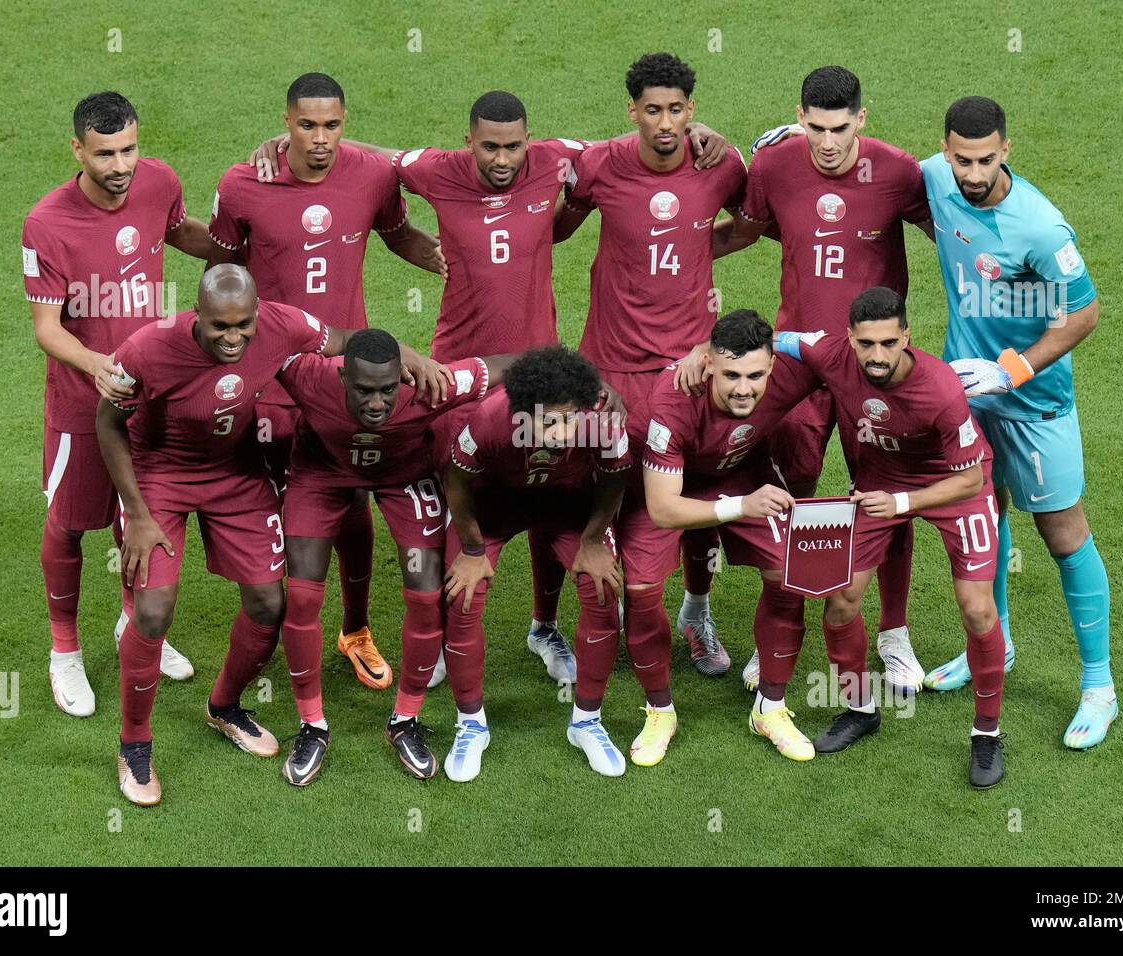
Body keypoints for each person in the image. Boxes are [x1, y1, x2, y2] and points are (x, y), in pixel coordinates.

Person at [250, 89, 727, 685]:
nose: (502, 160)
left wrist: (702, 129)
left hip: (541, 374)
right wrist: (309, 141)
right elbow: (388, 160)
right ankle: (450, 633)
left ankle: (543, 626)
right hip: (458, 374)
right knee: (460, 488)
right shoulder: (436, 170)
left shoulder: (558, 159)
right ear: (468, 140)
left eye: (513, 146)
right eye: (489, 147)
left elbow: (639, 143)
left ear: (529, 140)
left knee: (549, 486)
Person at [95, 265, 423, 806]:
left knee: (271, 603)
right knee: (153, 611)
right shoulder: (148, 348)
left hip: (237, 472)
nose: (233, 337)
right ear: (196, 315)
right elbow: (107, 422)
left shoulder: (282, 323)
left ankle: (223, 707)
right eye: (220, 326)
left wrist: (407, 355)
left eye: (243, 325)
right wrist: (137, 512)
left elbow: (341, 340)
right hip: (160, 476)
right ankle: (134, 744)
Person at [208, 72, 448, 693]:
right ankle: (271, 619)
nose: (320, 138)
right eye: (306, 125)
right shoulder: (242, 183)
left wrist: (460, 260)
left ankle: (356, 629)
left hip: (351, 378)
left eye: (332, 125)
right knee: (274, 496)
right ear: (286, 121)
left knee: (355, 503)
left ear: (346, 121)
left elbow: (397, 235)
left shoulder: (370, 175)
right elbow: (221, 271)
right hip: (271, 380)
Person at [716, 65, 933, 694]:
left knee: (885, 498)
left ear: (862, 119)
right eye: (816, 128)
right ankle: (778, 633)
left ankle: (894, 639)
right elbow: (748, 228)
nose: (829, 142)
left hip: (875, 364)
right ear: (799, 117)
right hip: (798, 362)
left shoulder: (899, 172)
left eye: (840, 128)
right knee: (790, 493)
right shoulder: (777, 167)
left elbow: (947, 230)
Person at [918, 97, 1114, 750]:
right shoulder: (937, 178)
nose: (971, 174)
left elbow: (1082, 315)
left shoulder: (1041, 228)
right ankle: (994, 647)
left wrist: (1014, 370)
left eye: (984, 159)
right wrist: (791, 145)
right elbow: (874, 171)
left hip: (1034, 404)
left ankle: (1099, 686)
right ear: (945, 151)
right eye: (960, 160)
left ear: (1007, 149)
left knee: (1061, 534)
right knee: (985, 515)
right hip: (965, 399)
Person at [554, 52, 750, 687]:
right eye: (652, 110)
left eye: (676, 110)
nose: (664, 123)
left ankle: (696, 610)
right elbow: (555, 227)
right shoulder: (598, 165)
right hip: (608, 369)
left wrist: (698, 248)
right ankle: (573, 619)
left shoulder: (722, 166)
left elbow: (754, 219)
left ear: (691, 110)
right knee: (597, 489)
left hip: (689, 366)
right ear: (632, 110)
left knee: (691, 491)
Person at [23, 90, 213, 717]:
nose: (120, 165)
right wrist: (98, 366)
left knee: (142, 521)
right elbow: (47, 329)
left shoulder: (159, 181)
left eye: (129, 148)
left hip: (154, 400)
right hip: (84, 405)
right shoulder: (47, 223)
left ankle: (135, 626)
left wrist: (252, 244)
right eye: (105, 154)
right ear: (77, 149)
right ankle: (65, 652)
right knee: (72, 525)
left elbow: (179, 231)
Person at [774, 287, 1008, 788]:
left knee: (977, 609)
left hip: (954, 483)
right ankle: (860, 708)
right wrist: (709, 351)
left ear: (907, 336)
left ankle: (986, 733)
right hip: (882, 485)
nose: (876, 356)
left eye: (887, 342)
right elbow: (784, 340)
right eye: (866, 344)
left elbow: (970, 480)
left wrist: (902, 504)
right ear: (850, 340)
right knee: (840, 600)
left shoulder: (940, 388)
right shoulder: (832, 354)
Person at [277, 329, 512, 784]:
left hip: (403, 477)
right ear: (342, 376)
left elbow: (506, 364)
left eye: (387, 390)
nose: (378, 403)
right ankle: (312, 725)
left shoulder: (430, 386)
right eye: (364, 391)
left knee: (426, 596)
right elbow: (263, 339)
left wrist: (584, 382)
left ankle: (405, 720)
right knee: (302, 596)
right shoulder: (308, 375)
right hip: (321, 475)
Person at [442, 347, 629, 781]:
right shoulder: (490, 418)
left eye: (570, 419)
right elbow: (457, 481)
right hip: (495, 506)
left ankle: (586, 721)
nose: (562, 433)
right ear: (521, 411)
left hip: (566, 505)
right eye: (548, 422)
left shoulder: (602, 422)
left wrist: (592, 539)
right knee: (463, 597)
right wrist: (472, 551)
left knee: (602, 592)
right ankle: (471, 723)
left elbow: (616, 476)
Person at [641, 311, 819, 763]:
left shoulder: (787, 373)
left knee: (788, 571)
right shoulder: (674, 398)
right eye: (732, 376)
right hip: (666, 485)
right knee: (641, 587)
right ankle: (660, 711)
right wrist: (742, 506)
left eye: (756, 375)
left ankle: (771, 708)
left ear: (774, 366)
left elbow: (846, 346)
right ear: (708, 367)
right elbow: (664, 509)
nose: (744, 388)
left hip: (743, 470)